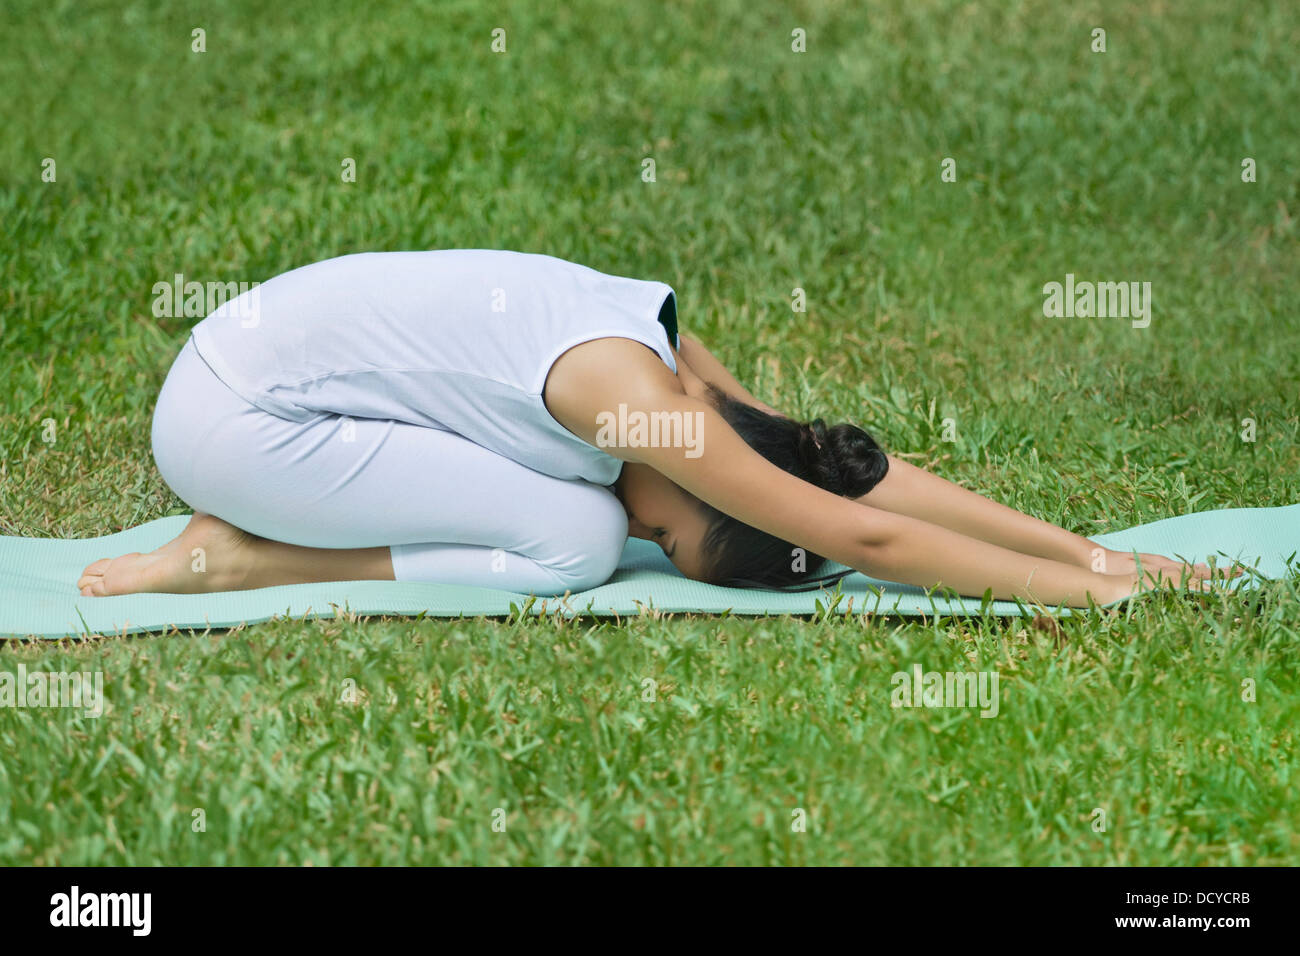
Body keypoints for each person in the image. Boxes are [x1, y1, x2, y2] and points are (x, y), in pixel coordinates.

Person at [77, 250, 1228, 607]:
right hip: (238, 421)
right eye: (675, 545)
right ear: (709, 490)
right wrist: (1103, 592)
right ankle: (240, 553)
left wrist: (1088, 543)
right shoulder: (631, 403)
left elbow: (852, 479)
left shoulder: (684, 379)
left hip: (264, 369)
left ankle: (244, 545)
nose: (654, 536)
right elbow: (864, 538)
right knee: (574, 542)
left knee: (577, 520)